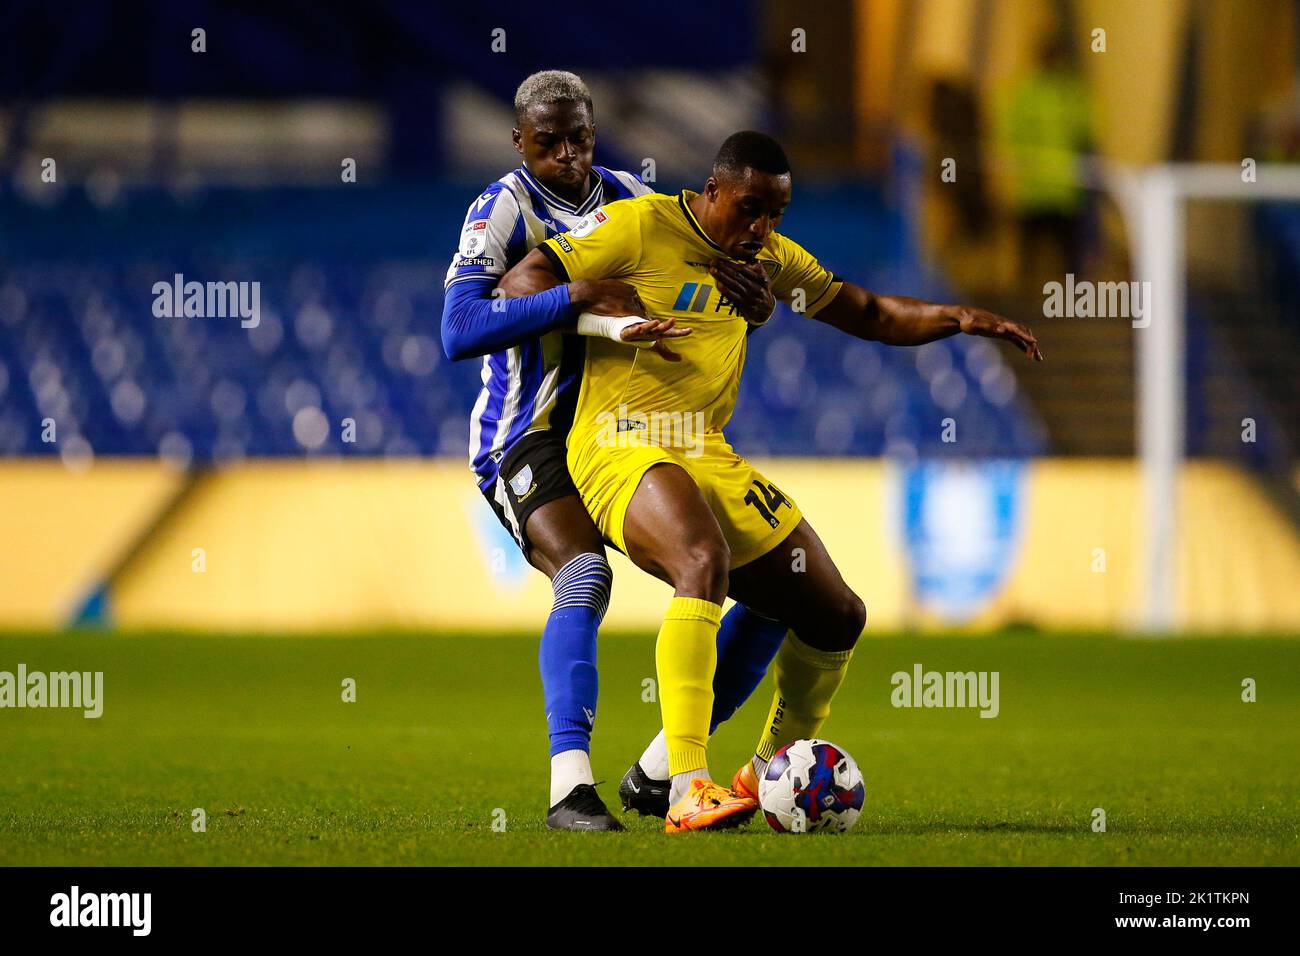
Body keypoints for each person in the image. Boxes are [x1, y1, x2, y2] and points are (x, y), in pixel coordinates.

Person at [499, 130, 1042, 832]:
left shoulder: (768, 259)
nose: (762, 228)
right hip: (619, 441)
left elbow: (868, 313)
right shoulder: (639, 225)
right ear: (714, 191)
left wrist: (961, 318)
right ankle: (687, 784)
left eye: (776, 214)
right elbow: (519, 285)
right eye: (751, 209)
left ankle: (765, 774)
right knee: (702, 561)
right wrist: (595, 302)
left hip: (706, 451)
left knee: (835, 612)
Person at [440, 72, 788, 830]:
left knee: (767, 588)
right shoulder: (500, 209)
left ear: (595, 133)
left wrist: (757, 312)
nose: (567, 155)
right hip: (528, 434)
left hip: (629, 432)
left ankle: (662, 769)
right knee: (585, 575)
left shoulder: (635, 199)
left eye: (580, 138)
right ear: (518, 142)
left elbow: (704, 303)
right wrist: (576, 297)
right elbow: (458, 330)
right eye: (548, 142)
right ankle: (571, 789)